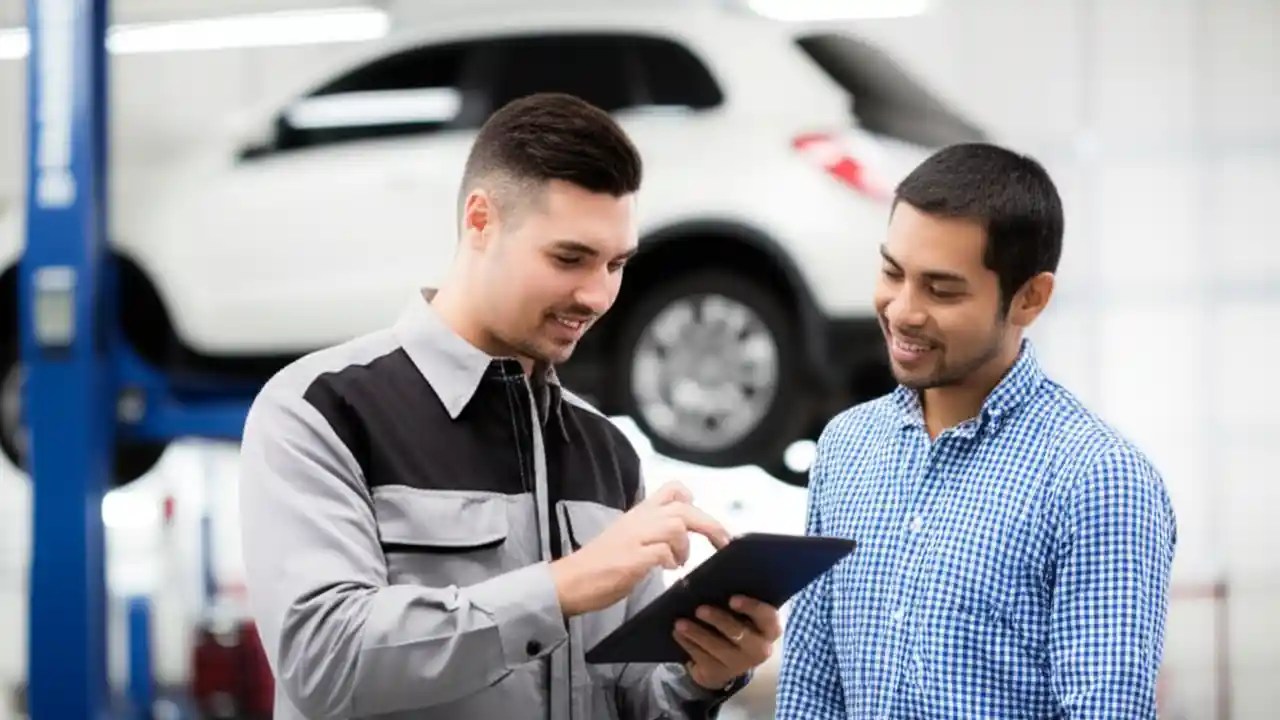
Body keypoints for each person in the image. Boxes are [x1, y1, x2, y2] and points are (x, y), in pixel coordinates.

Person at [238, 92, 781, 720]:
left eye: (616, 264)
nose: (597, 295)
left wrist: (700, 677)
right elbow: (323, 662)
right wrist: (564, 588)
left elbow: (634, 700)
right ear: (480, 220)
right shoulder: (322, 411)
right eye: (569, 258)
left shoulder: (606, 449)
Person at [774, 143, 1177, 718]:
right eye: (892, 272)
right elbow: (813, 690)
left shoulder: (1098, 480)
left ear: (1029, 299)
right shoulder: (847, 446)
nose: (902, 311)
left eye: (942, 290)